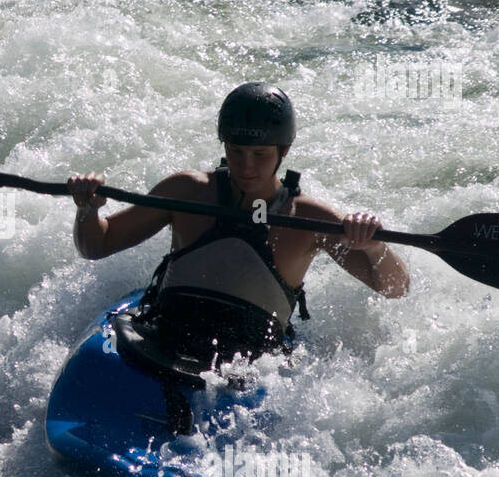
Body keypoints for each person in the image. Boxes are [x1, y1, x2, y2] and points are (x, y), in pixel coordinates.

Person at [67, 83, 410, 371]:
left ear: (284, 150)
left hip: (248, 365)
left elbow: (396, 288)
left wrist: (373, 245)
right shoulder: (186, 191)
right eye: (236, 151)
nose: (246, 166)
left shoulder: (308, 219)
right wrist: (87, 209)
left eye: (260, 154)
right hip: (165, 339)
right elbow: (97, 244)